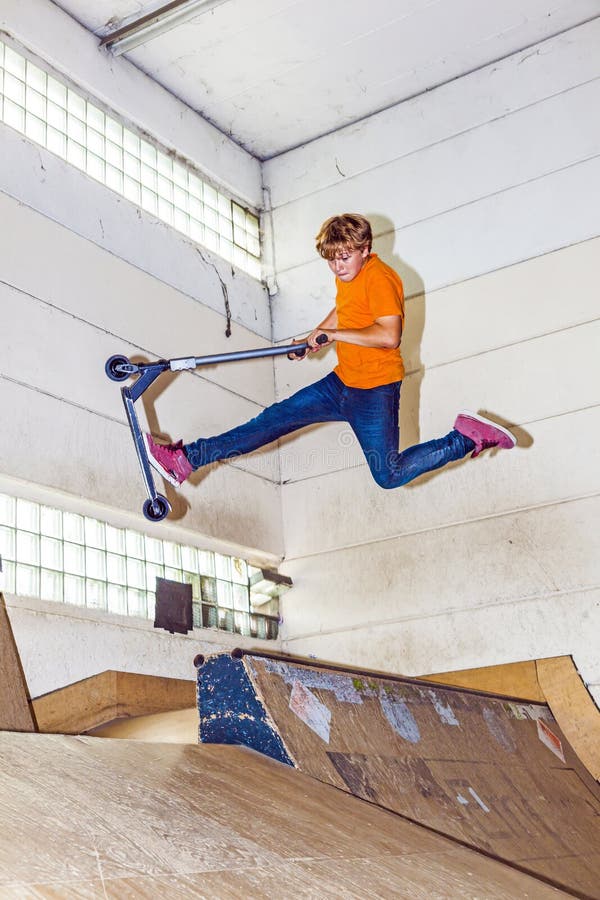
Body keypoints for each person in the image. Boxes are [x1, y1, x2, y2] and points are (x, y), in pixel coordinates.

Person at [144, 213, 515, 489]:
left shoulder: (381, 278)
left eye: (345, 258)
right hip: (341, 384)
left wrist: (335, 335)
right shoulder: (348, 275)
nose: (338, 267)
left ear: (366, 250)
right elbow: (347, 311)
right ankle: (184, 460)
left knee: (389, 475)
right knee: (271, 421)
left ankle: (465, 437)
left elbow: (389, 336)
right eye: (332, 259)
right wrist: (314, 337)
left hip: (375, 392)